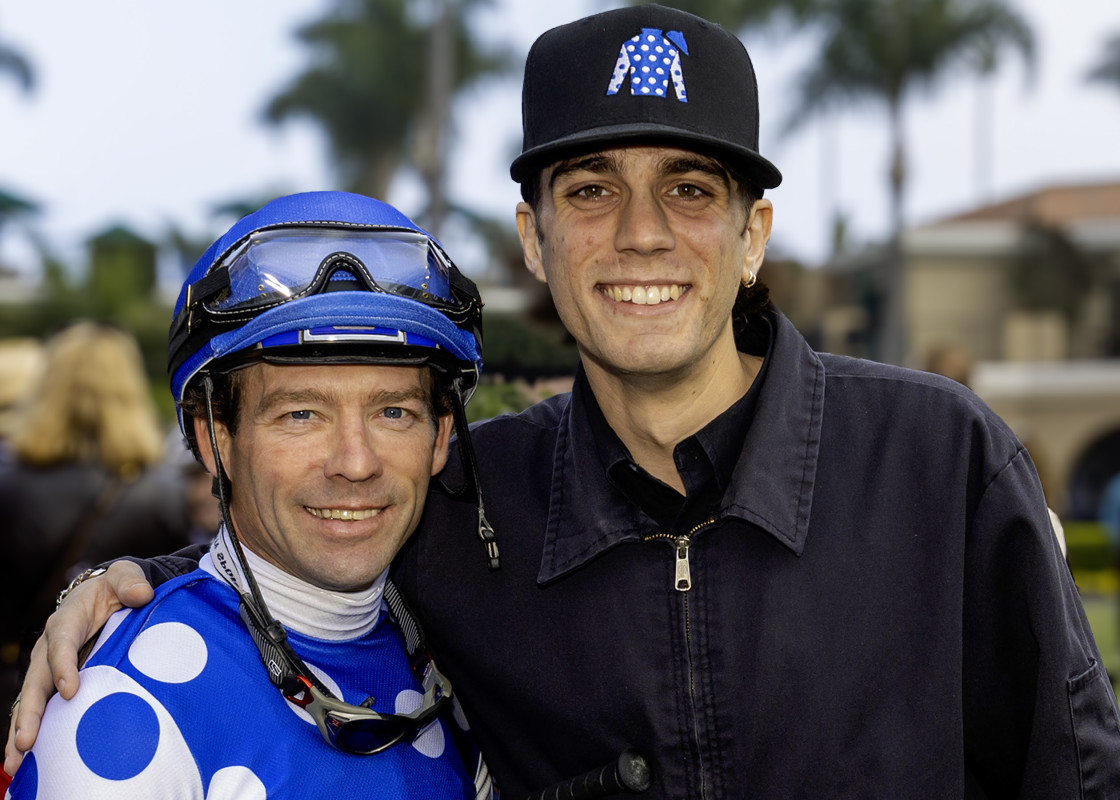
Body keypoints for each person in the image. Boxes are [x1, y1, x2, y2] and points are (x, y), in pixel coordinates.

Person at [9, 5, 1120, 797]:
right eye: (591, 190)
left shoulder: (938, 459)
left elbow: (1076, 768)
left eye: (689, 188)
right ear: (534, 239)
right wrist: (131, 581)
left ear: (753, 236)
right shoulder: (468, 504)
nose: (641, 232)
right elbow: (312, 533)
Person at [4, 192, 493, 798]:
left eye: (393, 411)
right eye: (300, 415)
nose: (356, 463)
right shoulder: (120, 710)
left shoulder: (467, 637)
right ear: (216, 441)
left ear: (441, 437)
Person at [0, 322, 190, 724]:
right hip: (119, 697)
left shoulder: (8, 481)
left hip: (10, 691)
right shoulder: (165, 492)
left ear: (49, 384)